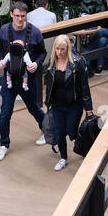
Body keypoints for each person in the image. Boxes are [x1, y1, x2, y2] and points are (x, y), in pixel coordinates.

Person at [0, 1, 48, 162]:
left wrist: (36, 64)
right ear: (11, 14)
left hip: (28, 79)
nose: (19, 19)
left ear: (26, 15)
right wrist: (0, 61)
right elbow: (2, 51)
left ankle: (47, 131)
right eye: (16, 15)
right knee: (5, 113)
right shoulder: (4, 30)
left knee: (34, 108)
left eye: (22, 16)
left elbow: (42, 53)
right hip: (9, 77)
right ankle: (4, 145)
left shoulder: (35, 32)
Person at [42, 34, 93, 172]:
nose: (59, 52)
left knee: (72, 132)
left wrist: (89, 109)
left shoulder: (77, 63)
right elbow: (49, 85)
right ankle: (63, 158)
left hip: (74, 105)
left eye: (62, 49)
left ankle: (86, 148)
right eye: (57, 49)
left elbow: (84, 87)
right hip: (57, 105)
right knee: (59, 133)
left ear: (67, 49)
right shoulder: (52, 63)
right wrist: (47, 102)